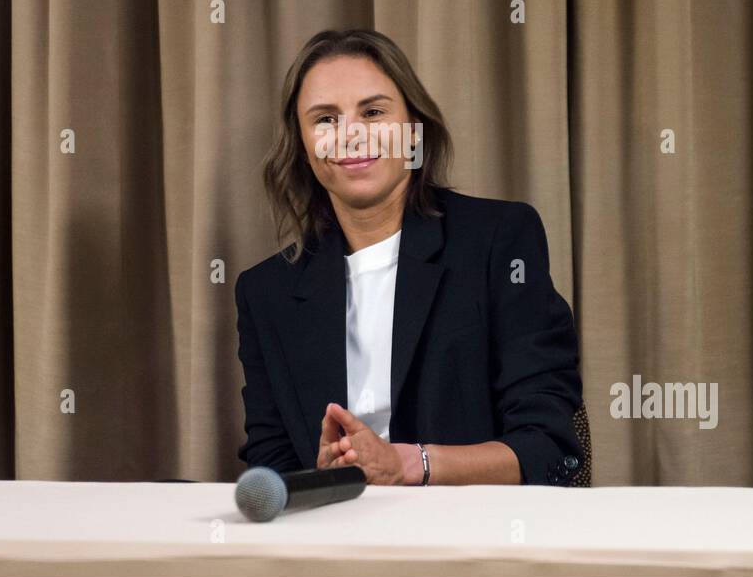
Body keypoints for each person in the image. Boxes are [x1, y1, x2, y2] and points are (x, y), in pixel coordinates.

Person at [235, 28, 584, 485]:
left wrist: (409, 464)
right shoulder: (265, 292)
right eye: (325, 119)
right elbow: (270, 466)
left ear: (414, 130)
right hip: (336, 543)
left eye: (374, 112)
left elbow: (552, 451)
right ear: (302, 146)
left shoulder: (499, 240)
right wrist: (316, 479)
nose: (351, 135)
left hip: (475, 540)